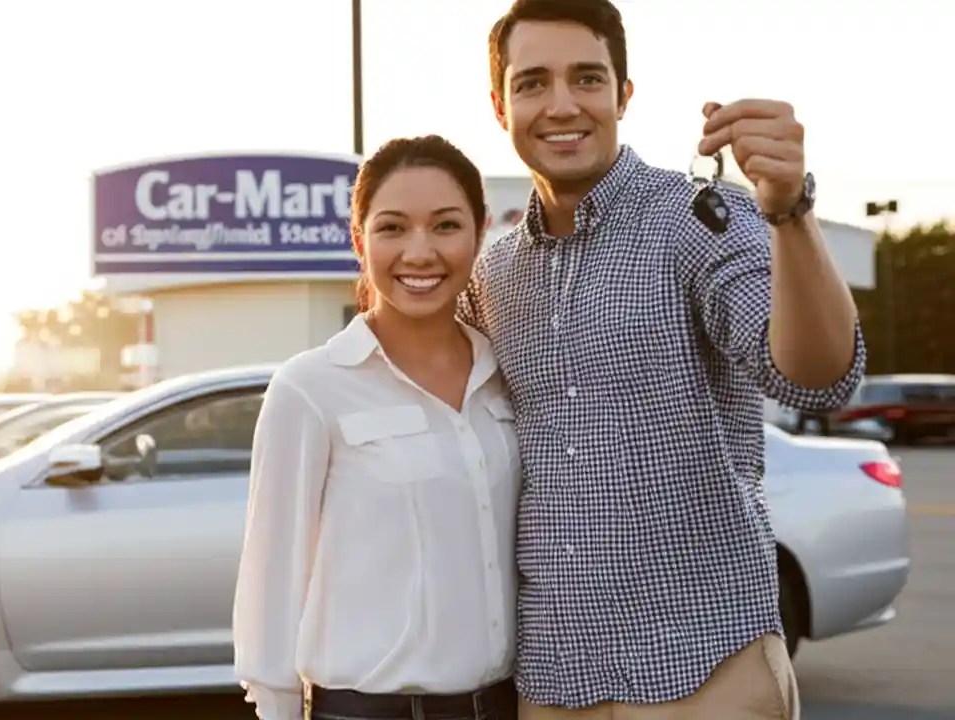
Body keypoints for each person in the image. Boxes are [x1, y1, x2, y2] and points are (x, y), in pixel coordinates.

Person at [459, 1, 867, 718]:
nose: (562, 104)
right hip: (554, 681)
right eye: (532, 83)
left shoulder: (701, 220)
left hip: (708, 670)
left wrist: (789, 213)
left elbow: (817, 380)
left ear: (623, 95)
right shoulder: (492, 277)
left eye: (587, 78)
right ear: (500, 106)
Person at [232, 135, 522, 720]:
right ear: (359, 239)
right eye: (392, 228)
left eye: (445, 226)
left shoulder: (507, 374)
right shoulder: (310, 389)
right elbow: (273, 583)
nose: (420, 252)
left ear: (480, 232)